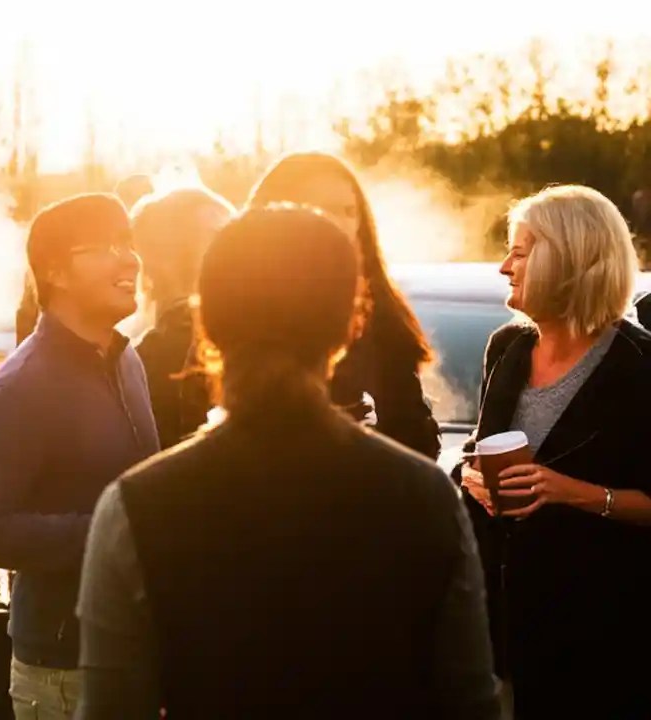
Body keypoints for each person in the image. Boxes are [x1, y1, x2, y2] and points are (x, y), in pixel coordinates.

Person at [76, 205, 499, 719]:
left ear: (206, 325)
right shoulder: (425, 495)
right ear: (352, 323)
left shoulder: (134, 509)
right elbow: (471, 705)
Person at [0, 193, 160, 720]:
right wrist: (116, 531)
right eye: (107, 246)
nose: (129, 259)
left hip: (136, 648)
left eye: (129, 244)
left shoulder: (124, 358)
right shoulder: (22, 388)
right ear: (55, 272)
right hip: (66, 670)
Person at [457, 185, 651, 718]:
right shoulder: (508, 347)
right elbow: (478, 447)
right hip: (503, 625)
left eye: (519, 252)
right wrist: (471, 476)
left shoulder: (639, 368)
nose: (503, 267)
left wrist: (576, 494)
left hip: (606, 638)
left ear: (568, 259)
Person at [247, 152, 440, 458]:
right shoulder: (243, 315)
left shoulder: (381, 315)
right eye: (320, 209)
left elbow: (415, 439)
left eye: (349, 210)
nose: (339, 223)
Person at [130, 187, 235, 448]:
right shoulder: (151, 357)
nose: (238, 250)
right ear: (165, 255)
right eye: (217, 237)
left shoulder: (135, 360)